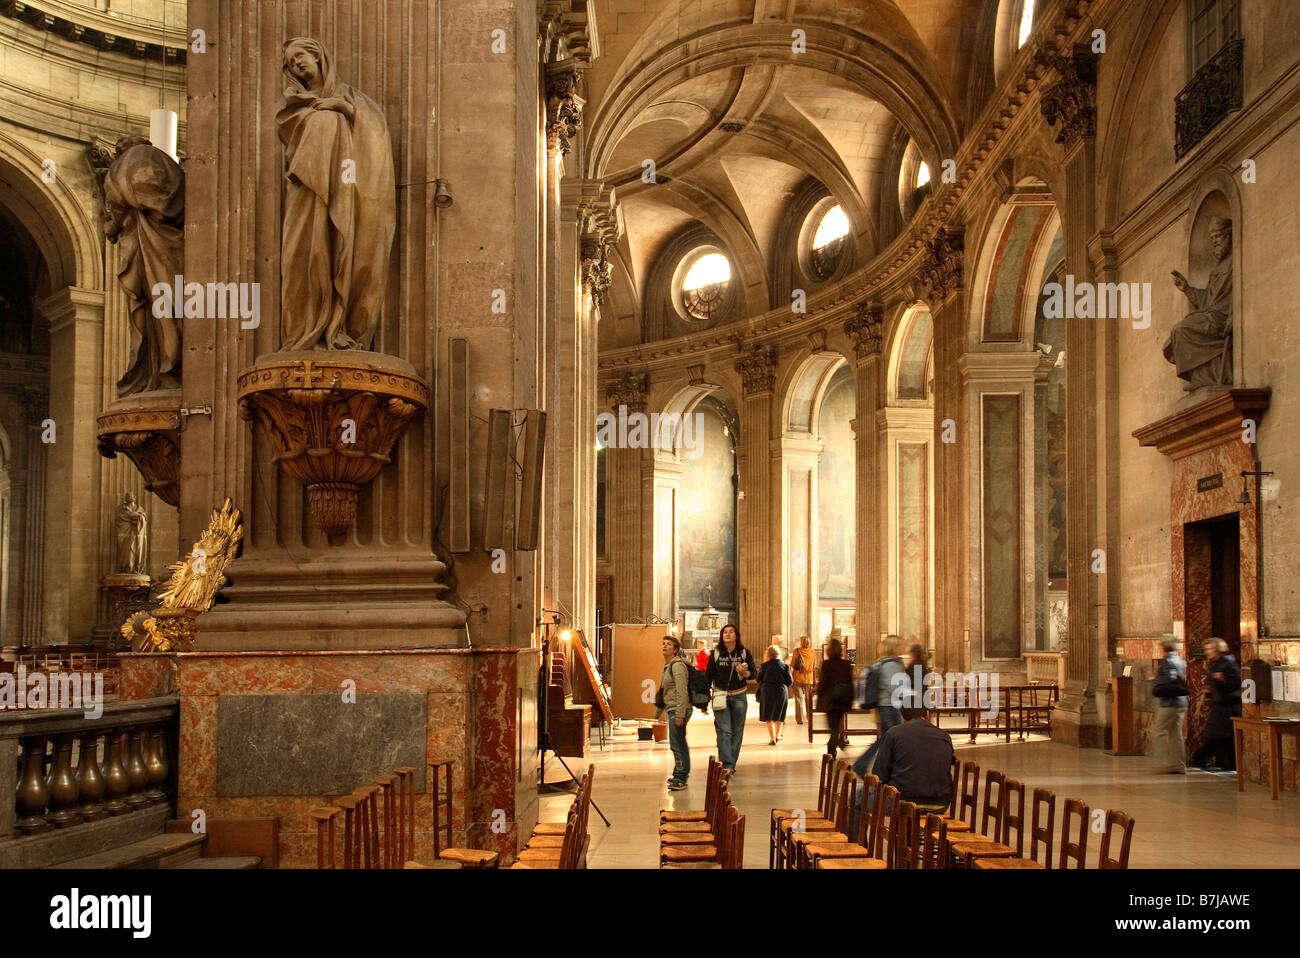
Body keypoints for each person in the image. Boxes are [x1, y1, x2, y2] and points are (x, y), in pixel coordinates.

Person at [277, 37, 395, 351]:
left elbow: (377, 141)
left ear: (317, 56)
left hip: (349, 196)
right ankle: (305, 332)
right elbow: (293, 144)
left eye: (299, 56)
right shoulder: (294, 104)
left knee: (353, 256)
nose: (296, 65)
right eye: (290, 63)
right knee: (305, 257)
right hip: (308, 198)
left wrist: (343, 108)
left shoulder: (355, 100)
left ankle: (342, 328)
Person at [872, 707, 955, 813]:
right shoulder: (944, 736)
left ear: (902, 718)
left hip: (902, 801)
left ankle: (855, 829)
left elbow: (879, 774)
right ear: (927, 714)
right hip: (940, 803)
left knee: (856, 798)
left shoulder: (894, 734)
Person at [705, 623, 756, 774]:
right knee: (724, 731)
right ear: (721, 636)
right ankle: (728, 765)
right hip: (721, 695)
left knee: (737, 731)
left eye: (731, 632)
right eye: (725, 632)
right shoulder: (716, 653)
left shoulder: (744, 653)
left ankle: (730, 763)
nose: (727, 634)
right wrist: (704, 694)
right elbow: (708, 675)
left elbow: (754, 674)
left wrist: (745, 672)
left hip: (739, 695)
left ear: (736, 635)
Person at [853, 635, 906, 777]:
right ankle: (864, 765)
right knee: (891, 739)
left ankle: (883, 768)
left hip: (886, 705)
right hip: (889, 706)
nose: (904, 647)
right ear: (894, 647)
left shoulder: (886, 663)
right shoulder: (892, 665)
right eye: (901, 645)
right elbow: (893, 686)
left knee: (886, 739)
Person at [1191, 637, 1241, 771]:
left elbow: (1235, 684)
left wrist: (1222, 680)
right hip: (1219, 703)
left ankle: (1200, 758)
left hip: (1228, 706)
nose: (1207, 652)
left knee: (1217, 735)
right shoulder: (1216, 663)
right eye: (1206, 649)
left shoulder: (1229, 663)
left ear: (1218, 649)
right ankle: (1230, 763)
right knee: (1222, 736)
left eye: (1210, 649)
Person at [656, 635, 692, 790]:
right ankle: (679, 773)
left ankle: (681, 777)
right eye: (663, 643)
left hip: (678, 709)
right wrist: (658, 712)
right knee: (677, 743)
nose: (664, 646)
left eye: (669, 644)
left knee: (678, 744)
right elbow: (664, 691)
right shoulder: (668, 666)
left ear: (675, 649)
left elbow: (681, 691)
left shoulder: (677, 666)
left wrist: (680, 713)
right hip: (673, 708)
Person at [1151, 635, 1189, 774]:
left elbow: (1170, 679)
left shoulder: (1168, 660)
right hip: (1180, 701)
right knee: (1176, 734)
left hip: (1170, 702)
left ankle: (1164, 763)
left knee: (1157, 731)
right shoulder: (1180, 659)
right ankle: (1178, 765)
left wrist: (1157, 680)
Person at [817, 637, 854, 756]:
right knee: (835, 726)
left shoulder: (827, 664)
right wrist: (851, 700)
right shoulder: (846, 664)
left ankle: (832, 749)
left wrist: (819, 701)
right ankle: (838, 742)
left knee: (833, 728)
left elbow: (823, 684)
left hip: (830, 701)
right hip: (842, 701)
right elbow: (850, 682)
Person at [756, 645, 793, 745]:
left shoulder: (765, 666)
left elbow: (758, 679)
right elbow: (790, 681)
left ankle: (772, 739)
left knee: (769, 715)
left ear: (768, 654)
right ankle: (777, 736)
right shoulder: (785, 666)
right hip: (781, 691)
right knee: (779, 714)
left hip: (767, 691)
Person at [790, 635, 815, 724]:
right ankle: (809, 717)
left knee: (798, 699)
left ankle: (800, 719)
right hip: (808, 678)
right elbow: (814, 666)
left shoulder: (796, 651)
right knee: (808, 699)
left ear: (801, 642)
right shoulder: (812, 652)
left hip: (798, 677)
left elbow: (792, 664)